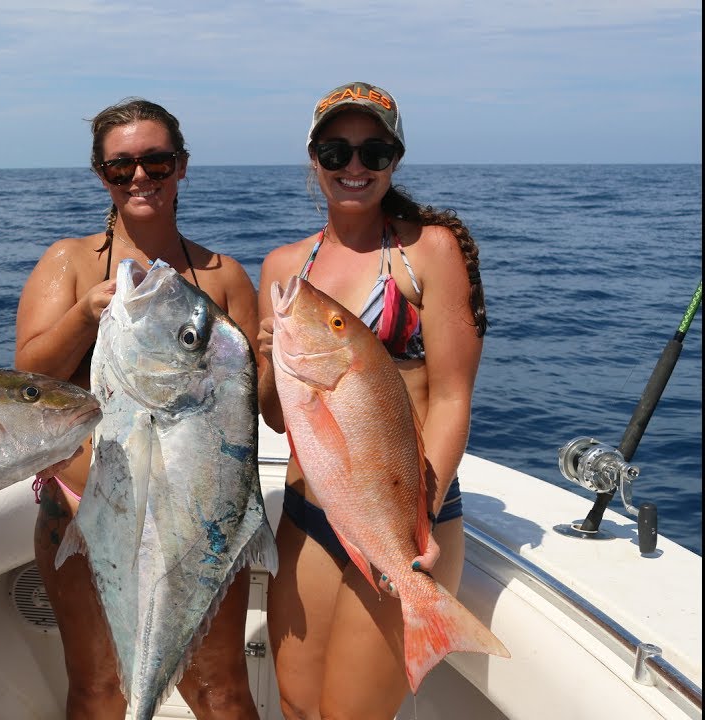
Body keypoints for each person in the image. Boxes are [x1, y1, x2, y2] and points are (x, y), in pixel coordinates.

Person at [14, 98, 263, 720]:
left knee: (222, 690)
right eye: (121, 166)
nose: (140, 177)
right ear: (102, 175)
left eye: (156, 161)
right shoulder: (69, 264)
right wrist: (83, 316)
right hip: (78, 511)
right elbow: (26, 381)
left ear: (181, 166)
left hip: (196, 516)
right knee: (99, 690)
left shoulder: (223, 276)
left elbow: (252, 411)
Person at [256, 81, 487, 719]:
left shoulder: (428, 252)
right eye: (336, 152)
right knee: (299, 709)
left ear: (395, 158)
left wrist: (417, 520)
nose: (353, 168)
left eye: (373, 152)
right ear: (313, 159)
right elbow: (278, 418)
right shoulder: (282, 268)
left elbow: (451, 400)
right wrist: (263, 360)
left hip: (404, 516)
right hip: (308, 519)